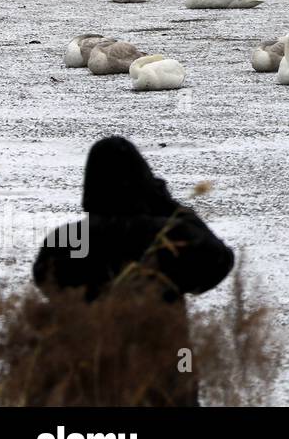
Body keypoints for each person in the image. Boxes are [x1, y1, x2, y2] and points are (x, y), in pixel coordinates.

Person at [30, 136, 235, 404]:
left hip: (92, 368)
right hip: (171, 368)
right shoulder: (167, 234)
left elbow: (46, 283)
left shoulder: (67, 239)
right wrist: (169, 206)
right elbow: (219, 262)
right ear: (143, 181)